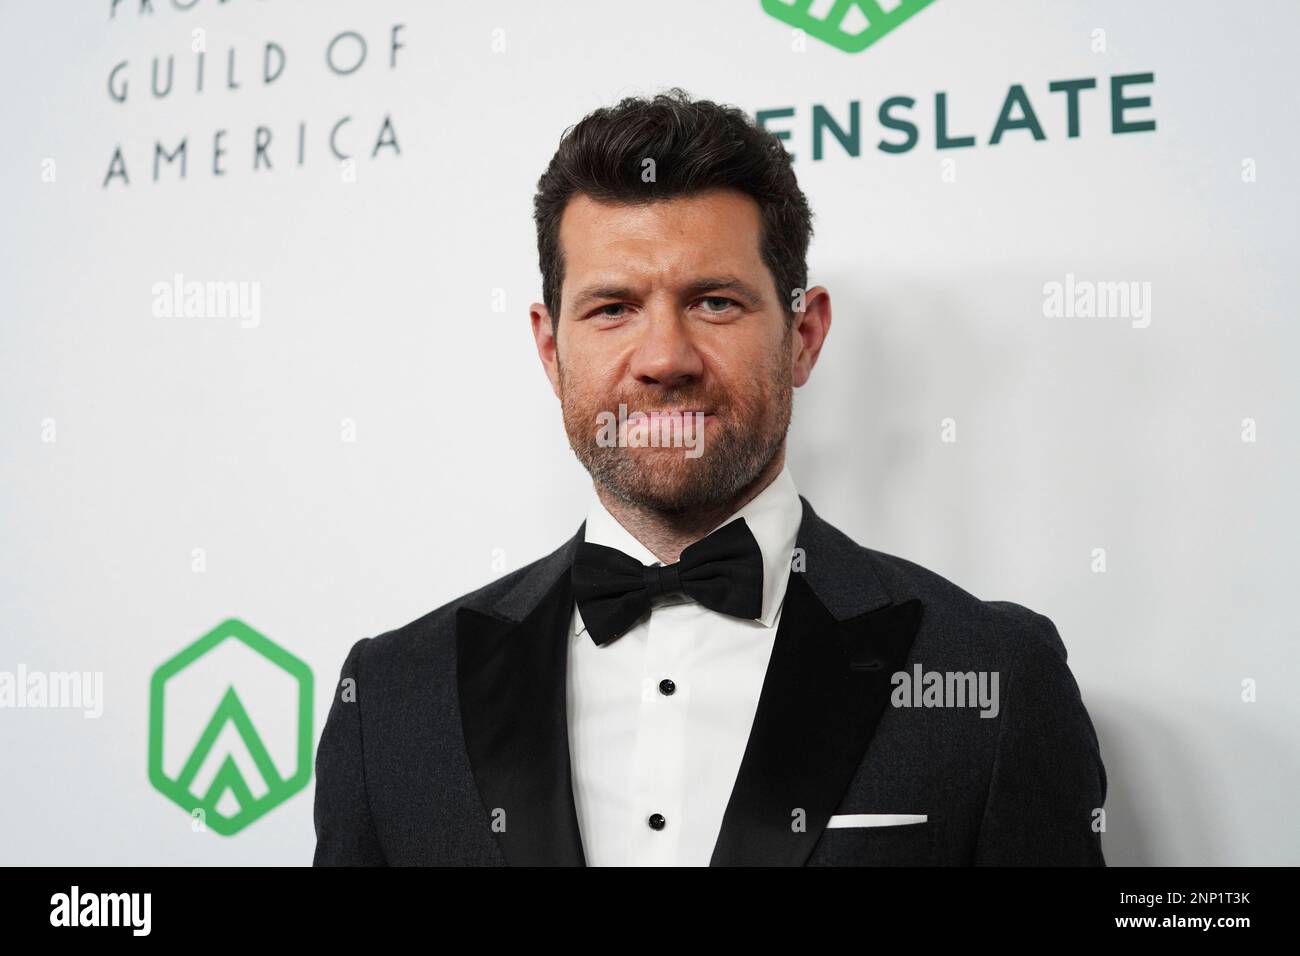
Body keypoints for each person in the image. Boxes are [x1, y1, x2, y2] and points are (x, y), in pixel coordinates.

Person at [313, 87, 1107, 866]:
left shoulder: (995, 674)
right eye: (613, 308)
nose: (664, 359)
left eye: (716, 303)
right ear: (551, 351)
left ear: (804, 334)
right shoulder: (389, 697)